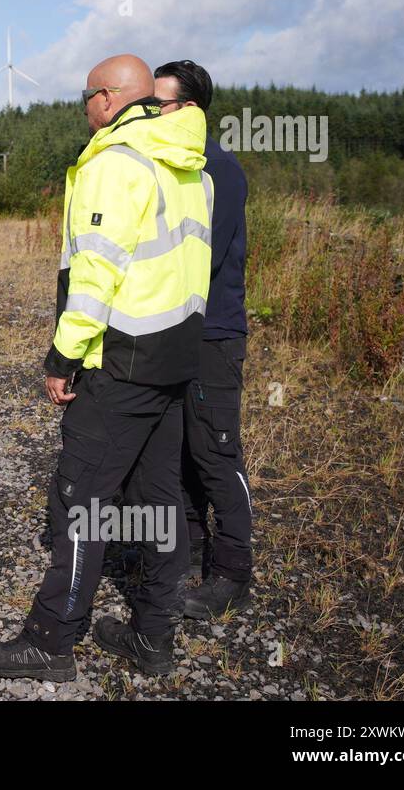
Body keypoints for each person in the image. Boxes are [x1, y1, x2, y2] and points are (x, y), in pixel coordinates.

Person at [0, 54, 211, 681]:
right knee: (160, 499)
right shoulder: (192, 166)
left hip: (121, 361)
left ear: (108, 99)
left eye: (86, 95)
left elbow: (97, 274)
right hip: (174, 356)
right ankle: (154, 638)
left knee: (81, 499)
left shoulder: (115, 163)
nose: (83, 106)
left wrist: (64, 354)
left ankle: (52, 641)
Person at [154, 60, 252, 619]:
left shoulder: (216, 169)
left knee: (216, 451)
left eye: (160, 104)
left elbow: (197, 257)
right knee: (180, 451)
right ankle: (187, 557)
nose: (151, 114)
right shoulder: (173, 165)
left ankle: (234, 572)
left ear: (189, 109)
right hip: (172, 331)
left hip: (211, 334)